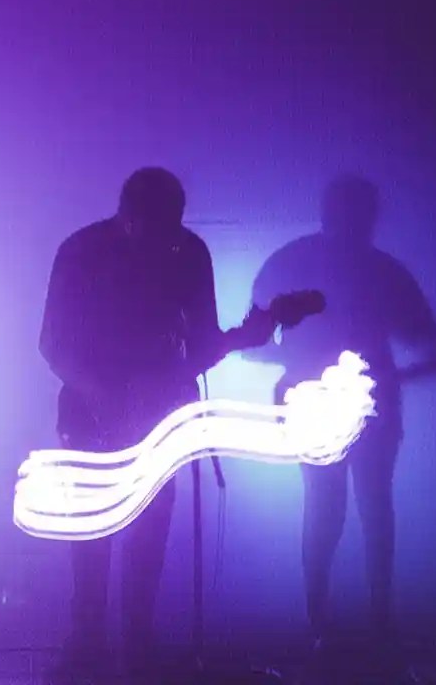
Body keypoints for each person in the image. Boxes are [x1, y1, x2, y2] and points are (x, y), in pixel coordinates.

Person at [39, 167, 274, 682]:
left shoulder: (187, 253)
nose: (165, 240)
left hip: (156, 408)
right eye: (155, 228)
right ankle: (88, 642)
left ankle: (134, 642)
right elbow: (53, 343)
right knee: (92, 528)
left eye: (173, 228)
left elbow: (203, 343)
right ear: (126, 218)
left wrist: (246, 336)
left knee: (147, 532)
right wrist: (99, 392)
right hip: (89, 406)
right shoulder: (82, 250)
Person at [248, 176, 436, 650]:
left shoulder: (291, 261)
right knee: (362, 506)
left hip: (334, 399)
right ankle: (365, 619)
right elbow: (423, 335)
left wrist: (296, 358)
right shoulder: (384, 270)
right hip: (361, 400)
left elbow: (255, 340)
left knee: (334, 506)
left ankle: (326, 619)